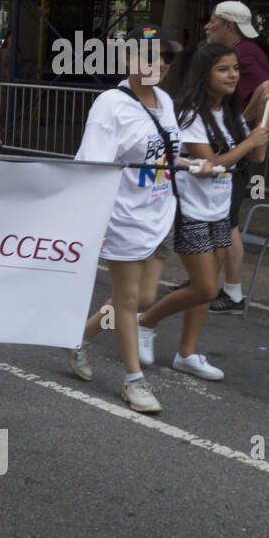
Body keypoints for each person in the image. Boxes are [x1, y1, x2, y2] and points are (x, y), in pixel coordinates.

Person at [136, 44, 269, 377]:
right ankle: (146, 321)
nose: (232, 76)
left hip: (219, 209)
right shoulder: (189, 115)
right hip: (192, 210)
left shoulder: (228, 115)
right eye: (223, 70)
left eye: (235, 69)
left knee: (206, 286)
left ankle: (187, 353)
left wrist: (261, 108)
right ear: (204, 75)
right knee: (206, 288)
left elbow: (256, 157)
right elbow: (212, 162)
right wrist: (249, 141)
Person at [68, 27, 184, 413]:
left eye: (166, 57)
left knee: (142, 298)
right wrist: (91, 220)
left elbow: (162, 153)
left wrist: (190, 164)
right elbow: (91, 165)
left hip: (160, 212)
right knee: (129, 300)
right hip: (122, 216)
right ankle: (134, 380)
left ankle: (79, 337)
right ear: (128, 59)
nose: (160, 64)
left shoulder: (165, 101)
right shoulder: (110, 104)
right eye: (150, 55)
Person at [203, 1, 269, 314]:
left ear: (229, 25)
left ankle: (231, 292)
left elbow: (258, 99)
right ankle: (204, 283)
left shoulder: (245, 56)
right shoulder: (244, 53)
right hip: (231, 146)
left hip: (235, 150)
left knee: (227, 223)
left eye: (213, 21)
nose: (206, 26)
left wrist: (245, 122)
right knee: (218, 220)